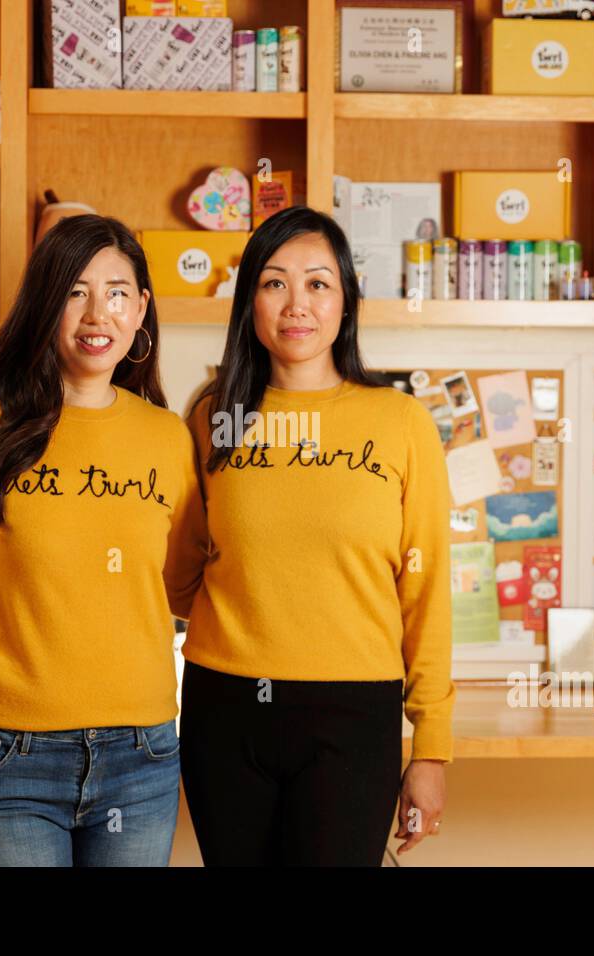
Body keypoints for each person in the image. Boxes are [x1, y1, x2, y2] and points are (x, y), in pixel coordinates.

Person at [0, 214, 202, 866]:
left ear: (142, 307)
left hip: (142, 757)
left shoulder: (168, 437)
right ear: (44, 301)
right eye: (75, 291)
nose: (100, 314)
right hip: (6, 758)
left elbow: (184, 588)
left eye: (118, 292)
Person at [169, 205, 455, 866]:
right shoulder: (215, 417)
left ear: (347, 302)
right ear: (250, 303)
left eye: (318, 283)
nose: (297, 303)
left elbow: (428, 590)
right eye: (274, 283)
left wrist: (430, 748)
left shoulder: (400, 421)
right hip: (225, 707)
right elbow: (179, 575)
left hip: (355, 716)